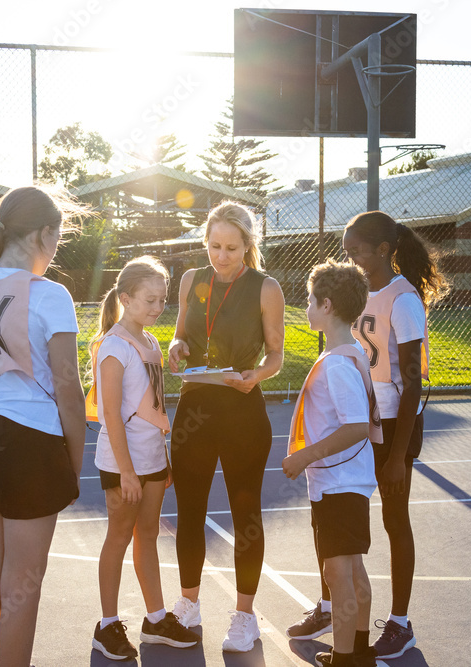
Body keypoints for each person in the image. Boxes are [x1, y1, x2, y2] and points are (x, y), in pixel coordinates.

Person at [289, 211, 449, 660]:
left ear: (383, 249)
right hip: (362, 418)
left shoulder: (403, 299)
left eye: (358, 250)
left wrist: (398, 454)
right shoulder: (352, 296)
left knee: (395, 520)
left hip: (394, 425)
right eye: (347, 251)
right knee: (335, 514)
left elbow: (413, 380)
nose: (352, 258)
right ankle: (330, 604)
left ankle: (399, 623)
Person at [0, 186, 87, 667]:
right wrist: (72, 466)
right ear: (45, 234)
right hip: (30, 445)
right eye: (58, 238)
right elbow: (69, 389)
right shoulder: (51, 295)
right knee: (21, 588)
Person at [167, 201, 286, 653]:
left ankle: (244, 616)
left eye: (231, 248)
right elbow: (180, 333)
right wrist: (177, 348)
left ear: (247, 246)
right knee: (190, 510)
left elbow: (275, 354)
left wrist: (257, 375)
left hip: (241, 409)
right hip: (194, 407)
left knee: (245, 514)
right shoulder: (191, 281)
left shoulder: (265, 287)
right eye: (214, 246)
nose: (221, 256)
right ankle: (189, 604)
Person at [86, 256, 201, 660]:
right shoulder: (114, 347)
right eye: (149, 300)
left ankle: (155, 619)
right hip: (124, 464)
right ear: (125, 298)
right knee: (119, 537)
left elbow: (153, 406)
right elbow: (110, 416)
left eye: (162, 299)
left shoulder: (150, 342)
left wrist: (163, 458)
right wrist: (128, 473)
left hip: (152, 459)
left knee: (148, 535)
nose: (158, 308)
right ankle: (106, 626)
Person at [282, 259, 384, 667]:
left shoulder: (340, 363)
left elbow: (356, 426)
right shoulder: (349, 353)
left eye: (309, 300)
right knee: (352, 569)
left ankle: (344, 658)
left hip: (339, 482)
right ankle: (358, 649)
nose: (306, 307)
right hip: (346, 481)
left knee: (338, 574)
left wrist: (304, 456)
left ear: (326, 305)